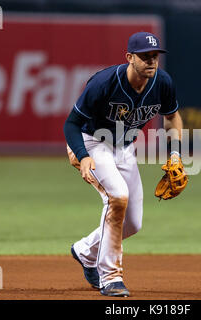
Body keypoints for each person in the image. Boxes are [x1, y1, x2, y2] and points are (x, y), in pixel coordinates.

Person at [63, 31, 183, 297]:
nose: (151, 61)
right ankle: (110, 277)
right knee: (117, 197)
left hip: (124, 147)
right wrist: (83, 156)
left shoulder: (162, 82)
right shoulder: (104, 82)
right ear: (129, 57)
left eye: (155, 56)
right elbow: (70, 124)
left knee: (132, 224)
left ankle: (85, 251)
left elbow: (172, 118)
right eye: (144, 56)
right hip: (90, 142)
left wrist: (175, 155)